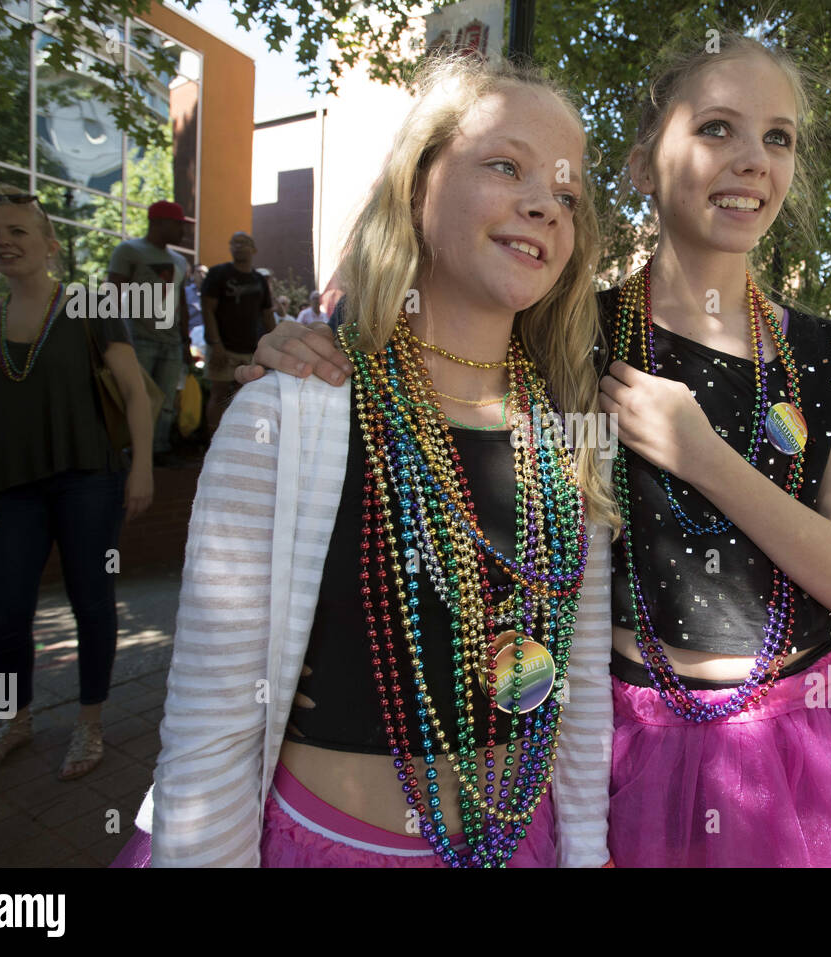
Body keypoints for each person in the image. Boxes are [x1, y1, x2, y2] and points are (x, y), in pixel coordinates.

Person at [245, 33, 831, 867]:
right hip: (626, 746)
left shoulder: (817, 354)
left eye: (777, 138)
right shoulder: (565, 329)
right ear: (639, 166)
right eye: (715, 129)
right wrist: (303, 343)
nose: (751, 160)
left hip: (804, 739)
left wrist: (701, 456)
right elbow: (435, 348)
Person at [114, 55, 615, 868]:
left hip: (518, 842)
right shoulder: (291, 411)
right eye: (504, 165)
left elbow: (581, 693)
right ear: (419, 185)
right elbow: (211, 726)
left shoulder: (569, 439)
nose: (543, 206)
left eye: (567, 194)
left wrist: (585, 853)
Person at [0, 189, 154, 782]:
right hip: (7, 486)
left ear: (49, 244)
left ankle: (89, 722)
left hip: (90, 479)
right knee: (2, 610)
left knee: (92, 600)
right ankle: (14, 721)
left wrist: (140, 466)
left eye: (17, 230)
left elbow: (135, 391)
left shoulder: (90, 306)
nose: (3, 241)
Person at [108, 201, 191, 465]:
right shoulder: (128, 251)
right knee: (137, 397)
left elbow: (182, 303)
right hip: (137, 340)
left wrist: (185, 341)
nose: (183, 232)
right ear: (159, 222)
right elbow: (111, 295)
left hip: (172, 343)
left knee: (166, 401)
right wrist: (111, 338)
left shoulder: (179, 260)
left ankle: (159, 449)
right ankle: (131, 450)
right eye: (178, 225)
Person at [200, 232, 274, 432]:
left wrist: (275, 343)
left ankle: (238, 436)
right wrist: (215, 345)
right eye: (234, 242)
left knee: (247, 395)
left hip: (250, 348)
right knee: (219, 394)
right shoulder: (218, 274)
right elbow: (208, 309)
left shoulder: (259, 280)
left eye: (244, 242)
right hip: (222, 346)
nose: (238, 246)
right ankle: (213, 440)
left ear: (254, 249)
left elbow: (267, 315)